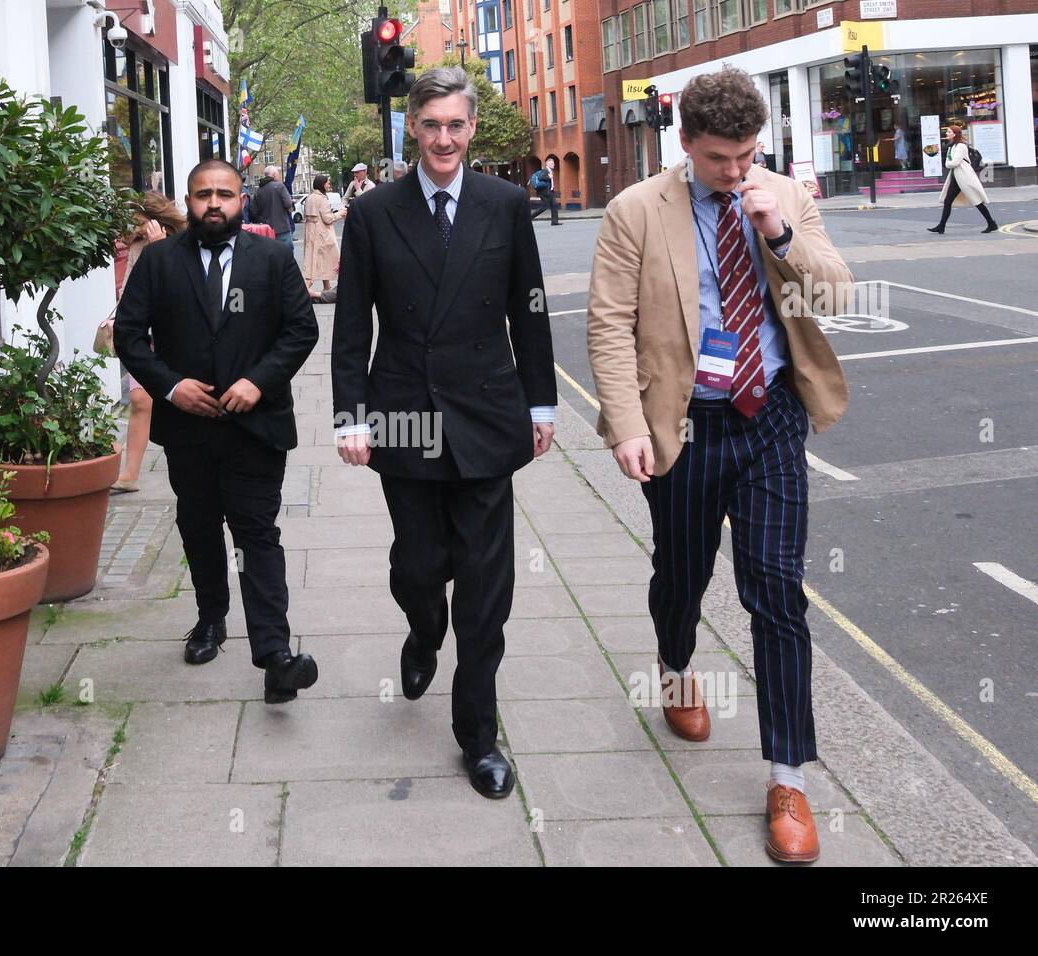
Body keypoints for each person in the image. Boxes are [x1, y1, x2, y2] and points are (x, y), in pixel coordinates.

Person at [586, 67, 852, 863]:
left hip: (769, 416)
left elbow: (837, 301)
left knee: (776, 591)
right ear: (685, 145)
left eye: (746, 157)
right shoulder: (635, 211)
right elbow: (608, 325)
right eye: (718, 161)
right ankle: (675, 665)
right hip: (687, 424)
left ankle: (787, 777)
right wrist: (627, 426)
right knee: (682, 575)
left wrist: (780, 235)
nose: (735, 173)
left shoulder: (785, 198)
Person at [332, 66, 556, 799]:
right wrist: (350, 414)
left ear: (470, 129)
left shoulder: (504, 203)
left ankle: (478, 735)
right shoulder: (373, 214)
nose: (444, 139)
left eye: (457, 125)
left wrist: (542, 404)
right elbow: (351, 324)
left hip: (489, 412)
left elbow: (529, 308)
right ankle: (422, 630)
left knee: (487, 589)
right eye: (431, 125)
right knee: (419, 566)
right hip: (405, 411)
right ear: (412, 129)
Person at [114, 158, 321, 703]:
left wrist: (258, 380)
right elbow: (130, 336)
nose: (213, 204)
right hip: (188, 429)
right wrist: (170, 386)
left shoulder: (274, 258)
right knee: (200, 526)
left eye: (224, 194)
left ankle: (275, 653)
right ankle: (210, 620)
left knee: (257, 534)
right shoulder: (159, 262)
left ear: (241, 200)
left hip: (257, 427)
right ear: (188, 200)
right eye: (202, 194)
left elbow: (302, 329)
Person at [105, 192, 186, 494]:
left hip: (168, 333)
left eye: (135, 222)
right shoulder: (132, 244)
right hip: (141, 334)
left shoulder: (176, 243)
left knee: (155, 403)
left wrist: (159, 247)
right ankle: (130, 475)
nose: (130, 227)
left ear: (153, 219)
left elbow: (178, 286)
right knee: (140, 401)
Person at [927, 124, 998, 234]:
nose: (946, 133)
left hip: (965, 177)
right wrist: (949, 163)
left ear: (954, 134)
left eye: (949, 132)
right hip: (956, 177)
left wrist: (948, 164)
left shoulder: (961, 146)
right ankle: (941, 226)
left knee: (977, 201)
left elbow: (954, 163)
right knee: (947, 201)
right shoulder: (952, 146)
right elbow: (951, 163)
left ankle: (991, 223)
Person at [302, 174, 345, 301]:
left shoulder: (309, 198)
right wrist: (340, 214)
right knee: (318, 263)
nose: (329, 185)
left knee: (318, 261)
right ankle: (304, 291)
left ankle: (327, 288)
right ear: (322, 184)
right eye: (327, 183)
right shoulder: (322, 199)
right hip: (322, 235)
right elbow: (328, 218)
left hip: (311, 233)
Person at [250, 164, 297, 248]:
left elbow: (253, 212)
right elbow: (288, 204)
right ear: (274, 174)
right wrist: (291, 202)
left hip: (266, 230)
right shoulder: (280, 186)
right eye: (278, 174)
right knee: (286, 256)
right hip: (282, 228)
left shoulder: (259, 191)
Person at [529, 157, 560, 224]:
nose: (553, 164)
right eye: (552, 163)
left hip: (550, 191)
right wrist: (549, 177)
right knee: (545, 207)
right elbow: (541, 177)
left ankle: (554, 221)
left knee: (553, 205)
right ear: (547, 164)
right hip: (544, 192)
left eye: (553, 163)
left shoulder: (550, 171)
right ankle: (529, 218)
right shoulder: (545, 170)